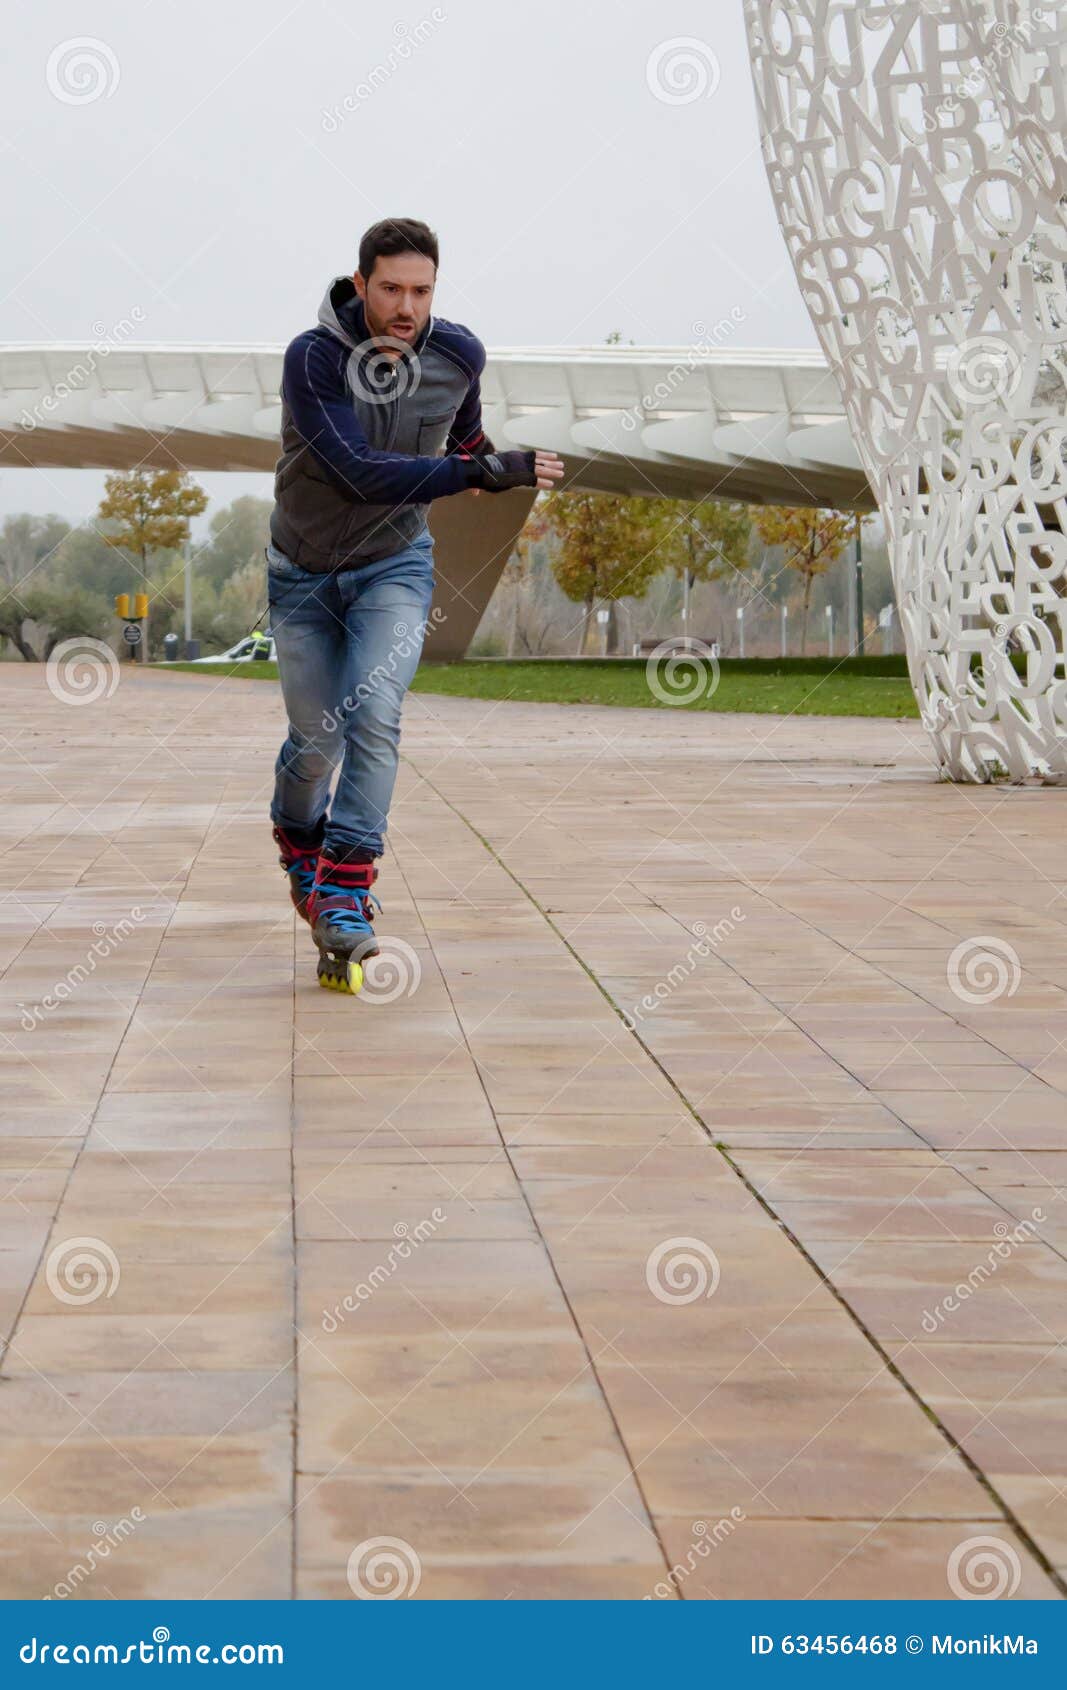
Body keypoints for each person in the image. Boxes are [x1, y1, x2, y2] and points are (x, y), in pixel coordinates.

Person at [267, 217, 564, 991]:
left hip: (393, 565)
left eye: (421, 291)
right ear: (359, 283)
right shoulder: (314, 359)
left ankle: (345, 887)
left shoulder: (458, 354)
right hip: (301, 572)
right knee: (316, 736)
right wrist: (487, 472)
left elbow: (465, 447)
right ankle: (299, 834)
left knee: (375, 715)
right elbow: (357, 472)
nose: (406, 306)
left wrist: (490, 465)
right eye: (391, 288)